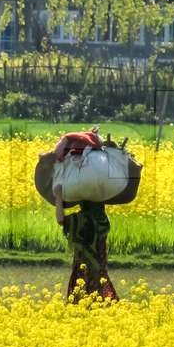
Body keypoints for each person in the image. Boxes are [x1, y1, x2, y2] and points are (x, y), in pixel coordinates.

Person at [50, 128, 118, 302]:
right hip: (100, 272)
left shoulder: (81, 220)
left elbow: (60, 220)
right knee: (100, 283)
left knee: (82, 289)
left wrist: (58, 196)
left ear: (81, 199)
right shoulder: (103, 221)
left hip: (82, 273)